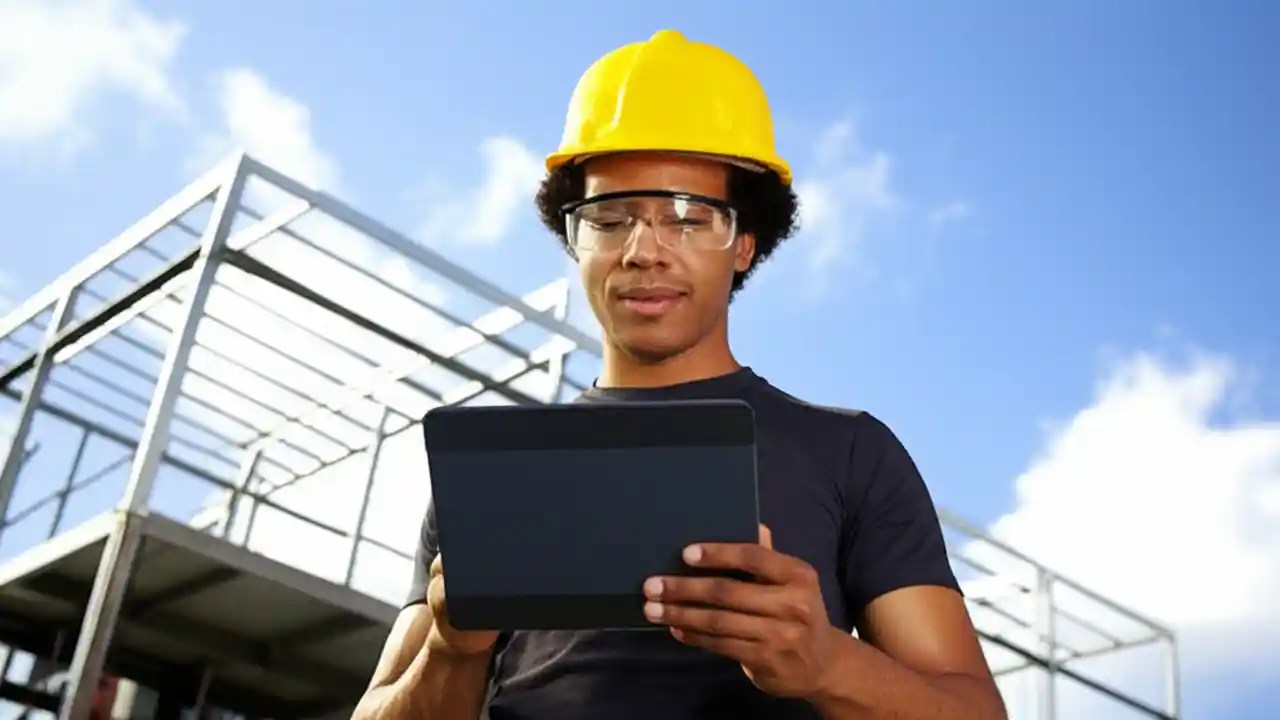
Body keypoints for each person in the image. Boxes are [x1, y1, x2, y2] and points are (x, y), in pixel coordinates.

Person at [353, 29, 1006, 720]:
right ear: (575, 240)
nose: (643, 251)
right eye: (609, 217)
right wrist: (453, 650)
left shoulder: (851, 455)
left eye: (688, 219)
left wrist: (825, 662)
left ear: (746, 244)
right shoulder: (499, 473)